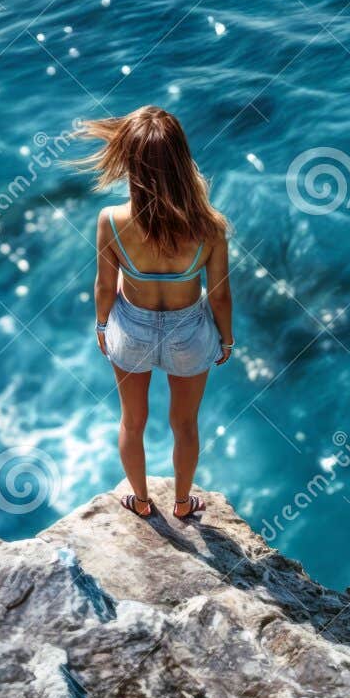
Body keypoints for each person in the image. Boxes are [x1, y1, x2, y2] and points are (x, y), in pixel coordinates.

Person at [81, 107, 233, 520]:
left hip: (131, 328)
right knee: (184, 424)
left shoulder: (111, 220)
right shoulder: (210, 226)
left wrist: (101, 325)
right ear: (182, 160)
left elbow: (103, 286)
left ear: (132, 163)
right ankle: (183, 503)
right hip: (190, 331)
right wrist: (228, 338)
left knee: (132, 421)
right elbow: (219, 296)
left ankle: (143, 502)